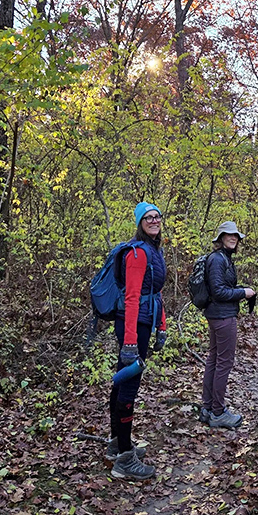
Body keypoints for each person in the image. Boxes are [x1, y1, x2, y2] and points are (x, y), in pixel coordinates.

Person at [107, 202, 167, 480]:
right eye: (148, 218)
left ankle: (118, 444)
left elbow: (155, 292)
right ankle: (124, 460)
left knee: (122, 379)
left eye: (157, 216)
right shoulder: (137, 254)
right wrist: (130, 342)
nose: (154, 221)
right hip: (132, 325)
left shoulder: (154, 249)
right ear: (139, 222)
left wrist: (162, 326)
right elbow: (132, 298)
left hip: (144, 322)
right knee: (128, 383)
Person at [200, 221, 255, 429]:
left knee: (214, 359)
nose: (233, 238)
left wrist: (241, 290)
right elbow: (219, 292)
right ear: (221, 238)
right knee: (223, 362)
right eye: (229, 235)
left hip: (218, 315)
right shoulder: (217, 259)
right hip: (222, 317)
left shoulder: (223, 258)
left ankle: (208, 408)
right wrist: (244, 293)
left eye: (236, 236)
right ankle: (218, 412)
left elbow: (222, 287)